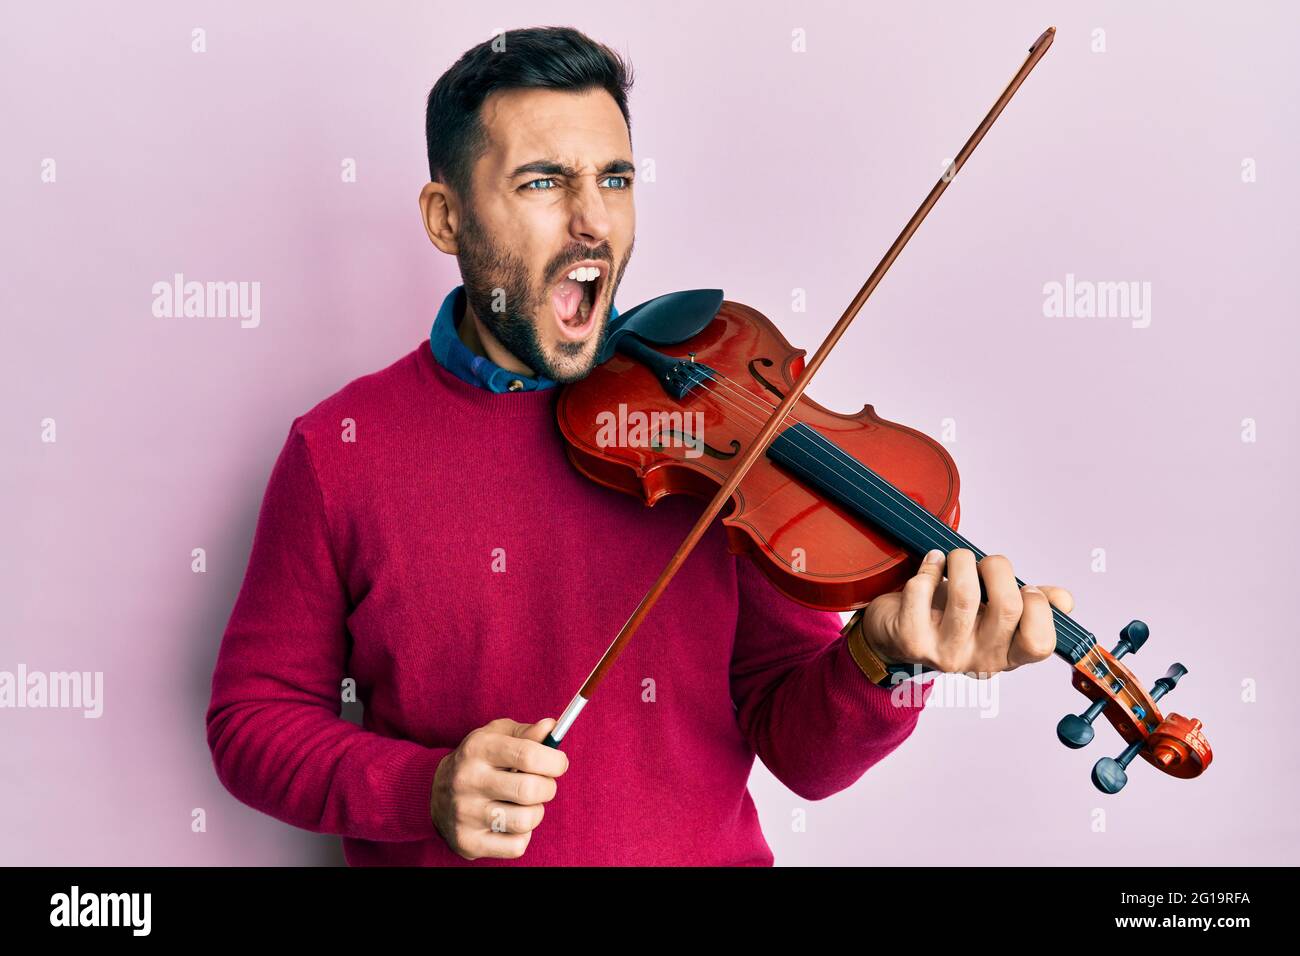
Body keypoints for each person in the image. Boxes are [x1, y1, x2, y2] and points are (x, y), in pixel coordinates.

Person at [205, 25, 1072, 866]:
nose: (593, 223)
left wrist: (888, 662)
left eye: (614, 178)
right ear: (446, 217)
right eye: (543, 183)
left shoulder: (711, 435)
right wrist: (424, 788)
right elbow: (253, 719)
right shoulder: (341, 448)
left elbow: (808, 759)